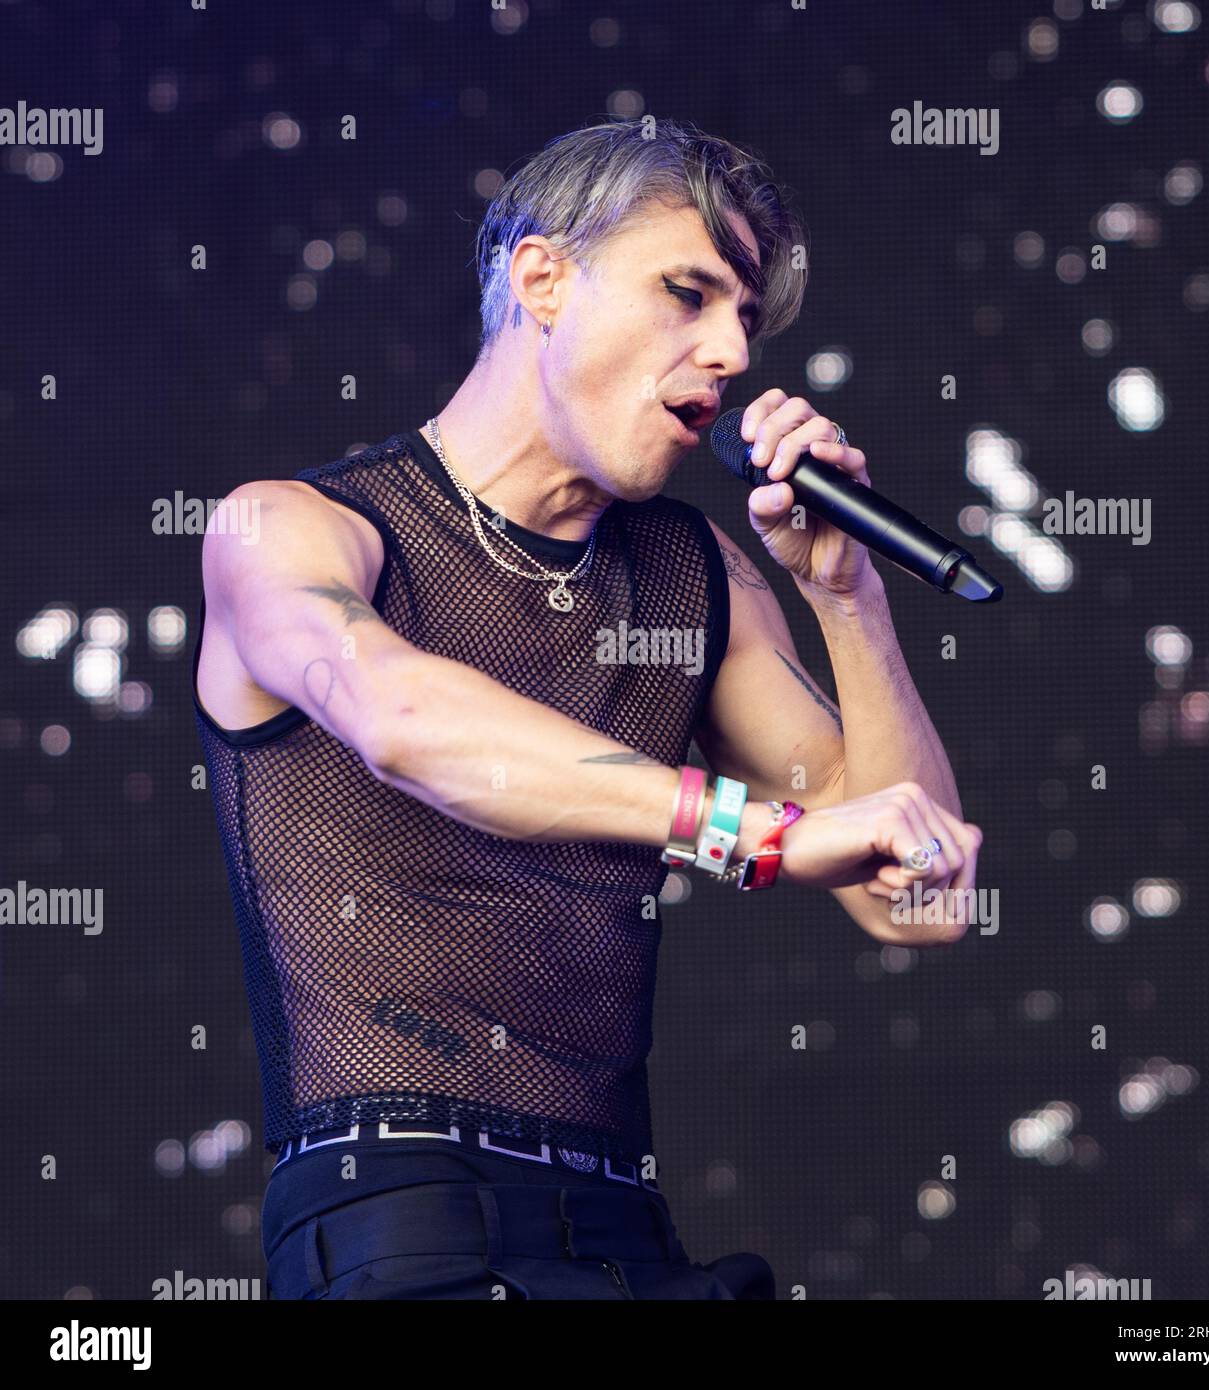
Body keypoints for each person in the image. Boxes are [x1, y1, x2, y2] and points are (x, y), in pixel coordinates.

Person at [192, 118, 983, 1300]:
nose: (727, 350)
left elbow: (915, 900)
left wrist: (843, 594)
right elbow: (406, 722)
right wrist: (758, 835)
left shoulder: (696, 574)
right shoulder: (297, 529)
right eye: (688, 293)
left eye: (744, 321)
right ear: (542, 278)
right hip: (399, 1216)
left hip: (624, 1228)